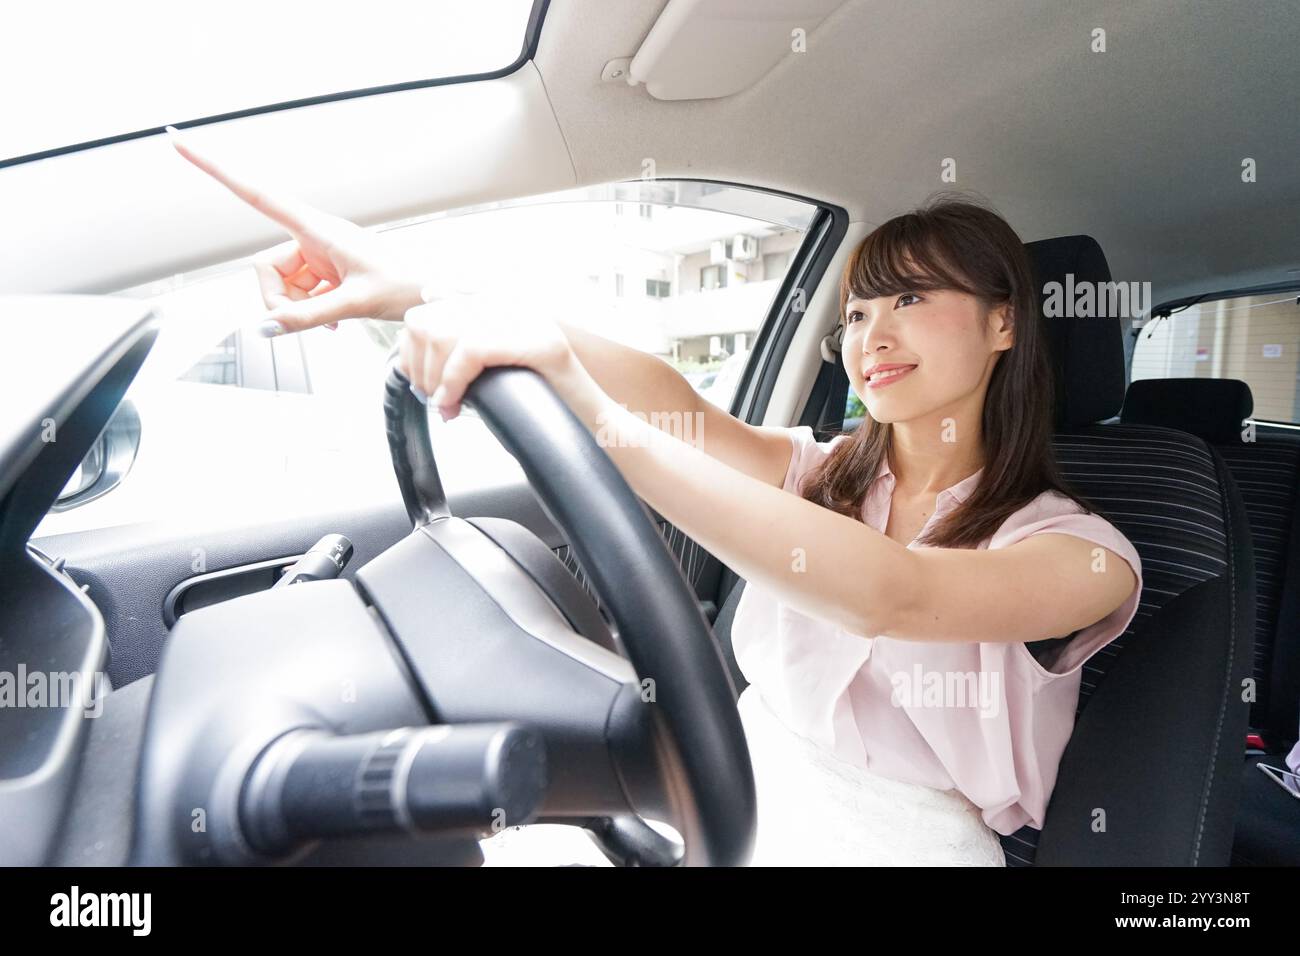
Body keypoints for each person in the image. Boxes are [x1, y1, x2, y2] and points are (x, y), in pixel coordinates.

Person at [166, 129, 1142, 866]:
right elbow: (680, 410)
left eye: (911, 298)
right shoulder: (826, 473)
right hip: (728, 769)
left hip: (902, 840)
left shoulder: (1081, 554)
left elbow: (899, 594)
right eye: (855, 309)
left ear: (1005, 321)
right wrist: (421, 289)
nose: (869, 334)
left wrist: (594, 417)